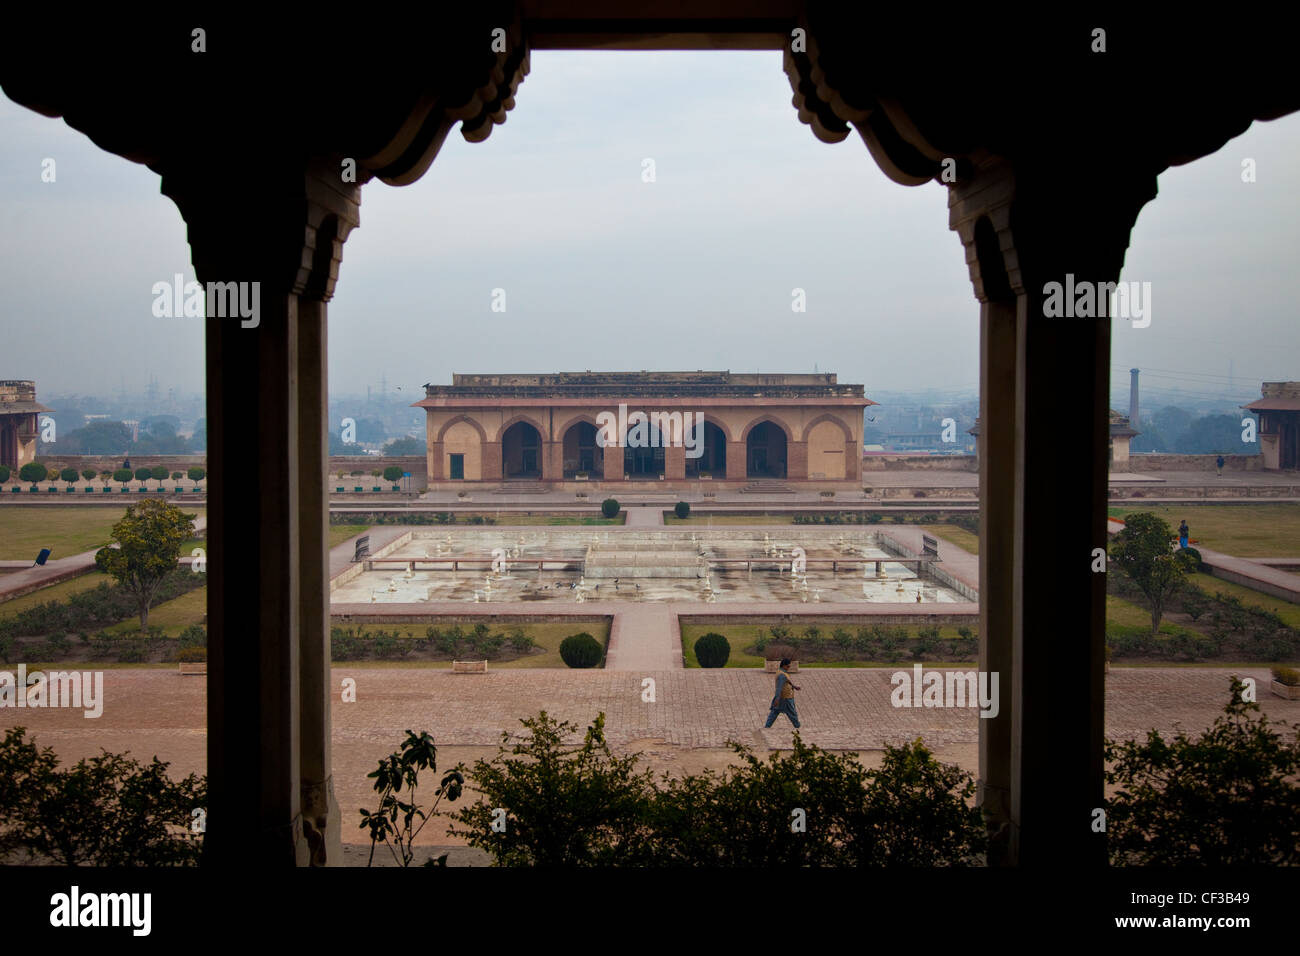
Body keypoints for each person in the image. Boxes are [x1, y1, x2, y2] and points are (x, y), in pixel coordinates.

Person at [764, 658, 801, 729]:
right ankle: (797, 726)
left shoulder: (781, 672)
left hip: (782, 697)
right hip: (785, 698)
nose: (788, 668)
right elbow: (779, 687)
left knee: (774, 712)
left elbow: (787, 682)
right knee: (792, 713)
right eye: (788, 666)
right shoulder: (781, 675)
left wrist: (794, 687)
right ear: (783, 665)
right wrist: (777, 698)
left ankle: (767, 726)